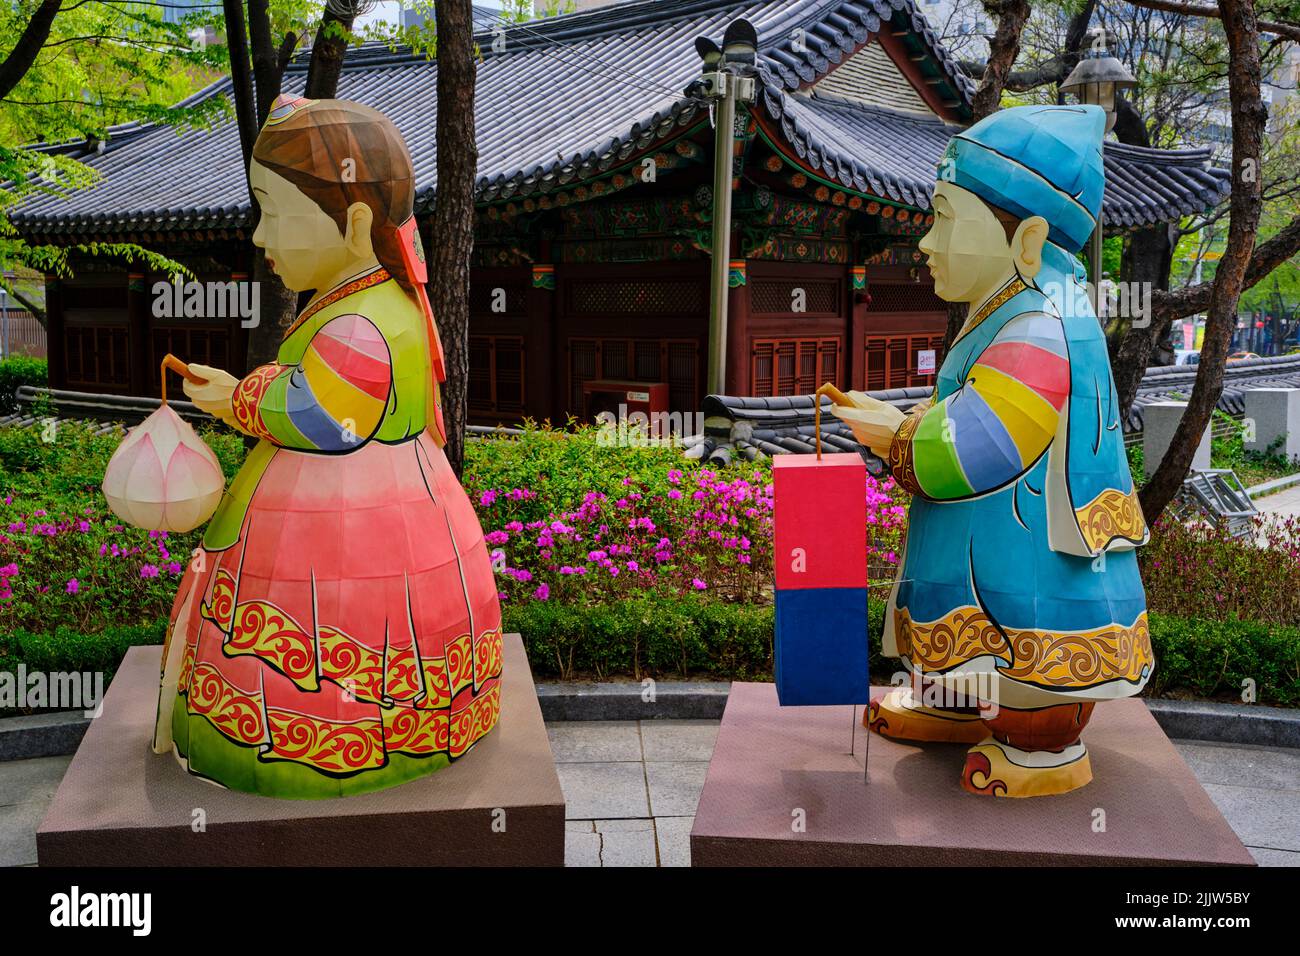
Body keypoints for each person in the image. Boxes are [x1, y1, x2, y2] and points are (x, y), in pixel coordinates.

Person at [152, 96, 503, 798]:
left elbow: (323, 415)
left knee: (320, 649)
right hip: (406, 502)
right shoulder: (372, 302)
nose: (258, 236)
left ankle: (311, 749)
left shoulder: (364, 321)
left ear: (356, 223)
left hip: (349, 525)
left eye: (273, 212)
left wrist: (240, 398)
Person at [829, 105, 1152, 797]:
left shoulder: (1039, 322)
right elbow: (978, 409)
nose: (925, 241)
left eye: (945, 217)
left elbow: (989, 444)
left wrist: (897, 434)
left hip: (1028, 549)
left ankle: (1045, 745)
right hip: (987, 540)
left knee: (1022, 645)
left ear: (1027, 238)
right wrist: (908, 420)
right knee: (971, 626)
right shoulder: (1017, 304)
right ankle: (955, 704)